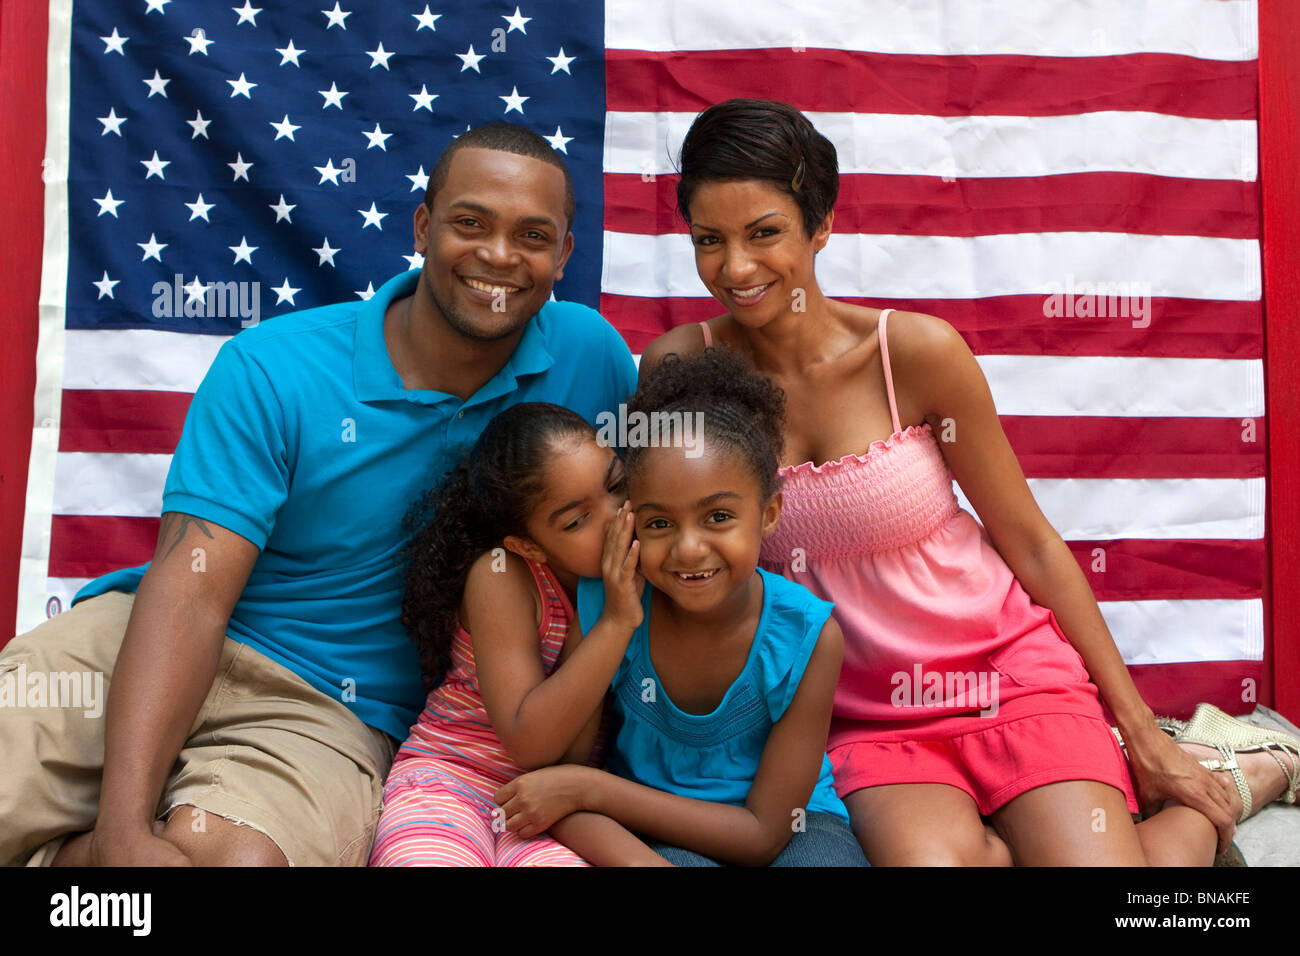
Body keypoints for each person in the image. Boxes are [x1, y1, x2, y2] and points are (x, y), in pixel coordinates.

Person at [636, 98, 1299, 865]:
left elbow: (1032, 543)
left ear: (821, 227)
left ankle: (1222, 778)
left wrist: (1143, 731)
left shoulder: (914, 352)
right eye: (709, 241)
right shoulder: (682, 371)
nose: (737, 268)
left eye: (765, 233)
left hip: (1009, 677)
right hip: (861, 715)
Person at [0, 123, 638, 867]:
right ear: (424, 226)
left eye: (532, 235)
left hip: (330, 711)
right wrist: (121, 829)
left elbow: (684, 485)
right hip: (147, 642)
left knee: (235, 864)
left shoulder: (590, 361)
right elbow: (190, 593)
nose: (499, 255)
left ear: (563, 254)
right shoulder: (273, 365)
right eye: (470, 223)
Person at [495, 349, 869, 866]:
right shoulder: (611, 605)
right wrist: (617, 622)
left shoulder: (807, 635)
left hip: (795, 826)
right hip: (658, 826)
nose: (689, 549)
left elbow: (764, 833)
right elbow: (564, 771)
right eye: (659, 524)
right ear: (629, 525)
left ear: (769, 513)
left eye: (717, 516)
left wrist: (591, 791)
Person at [369, 402, 669, 866]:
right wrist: (613, 623)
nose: (614, 517)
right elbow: (530, 743)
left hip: (558, 807)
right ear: (528, 545)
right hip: (454, 781)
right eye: (576, 520)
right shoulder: (502, 575)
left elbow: (568, 758)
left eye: (616, 485)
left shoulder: (646, 578)